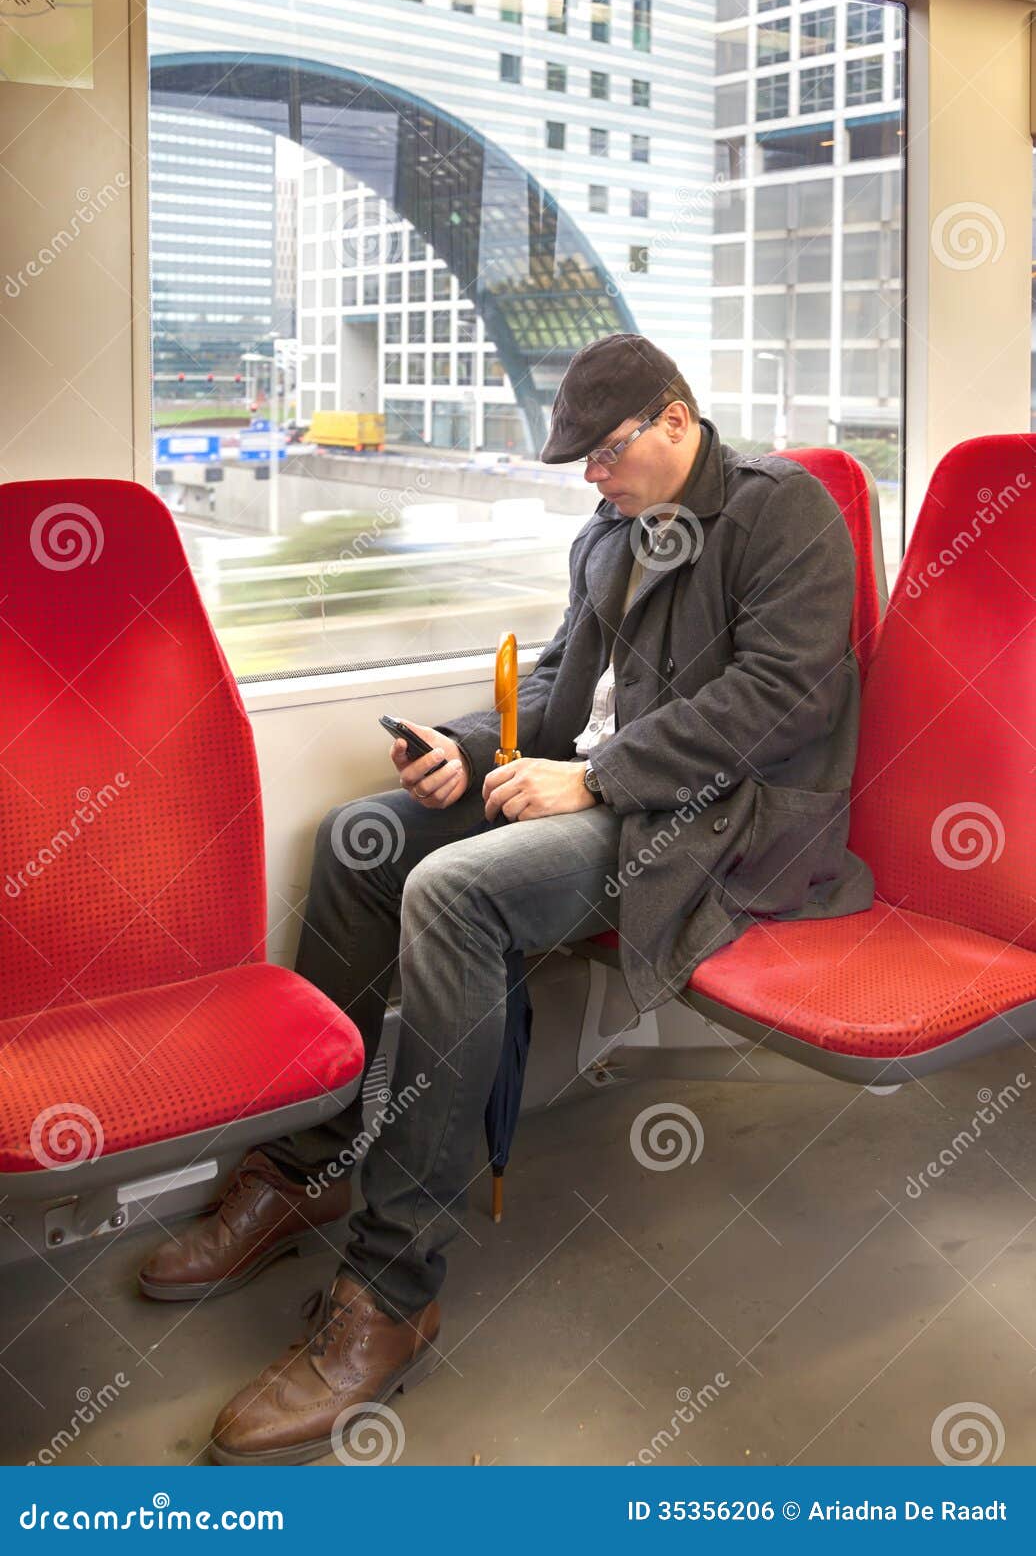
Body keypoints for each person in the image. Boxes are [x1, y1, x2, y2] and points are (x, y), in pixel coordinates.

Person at [137, 332, 874, 1465]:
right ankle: (304, 1170)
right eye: (579, 461)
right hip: (618, 794)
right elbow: (563, 687)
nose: (591, 476)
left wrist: (597, 778)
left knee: (454, 893)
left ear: (677, 420)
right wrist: (466, 744)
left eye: (605, 452)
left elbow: (782, 698)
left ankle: (391, 1287)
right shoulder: (610, 534)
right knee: (361, 839)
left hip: (720, 822)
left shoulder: (783, 513)